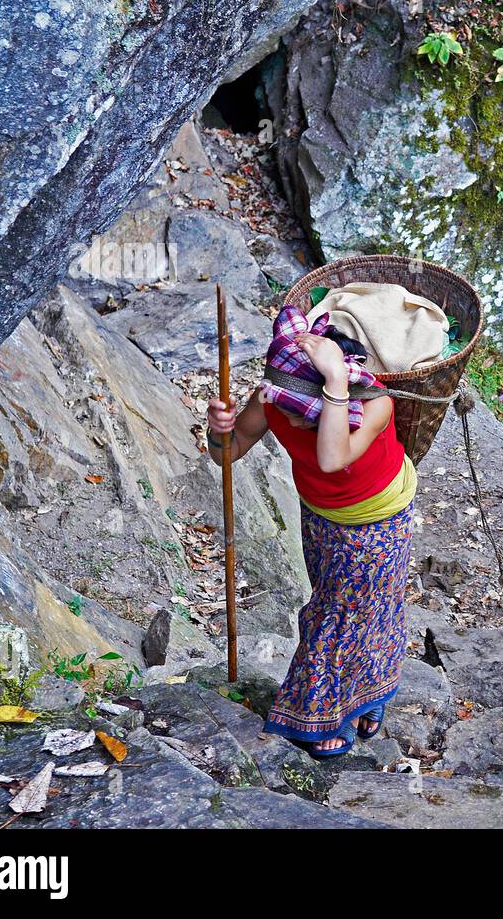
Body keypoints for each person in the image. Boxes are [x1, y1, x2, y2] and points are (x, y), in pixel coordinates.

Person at [205, 305, 417, 759]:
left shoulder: (375, 404)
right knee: (348, 605)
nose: (297, 417)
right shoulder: (275, 395)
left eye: (309, 409)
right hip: (320, 515)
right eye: (293, 405)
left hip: (379, 517)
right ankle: (367, 690)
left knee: (341, 614)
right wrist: (218, 431)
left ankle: (319, 714)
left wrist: (336, 387)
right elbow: (231, 451)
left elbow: (331, 458)